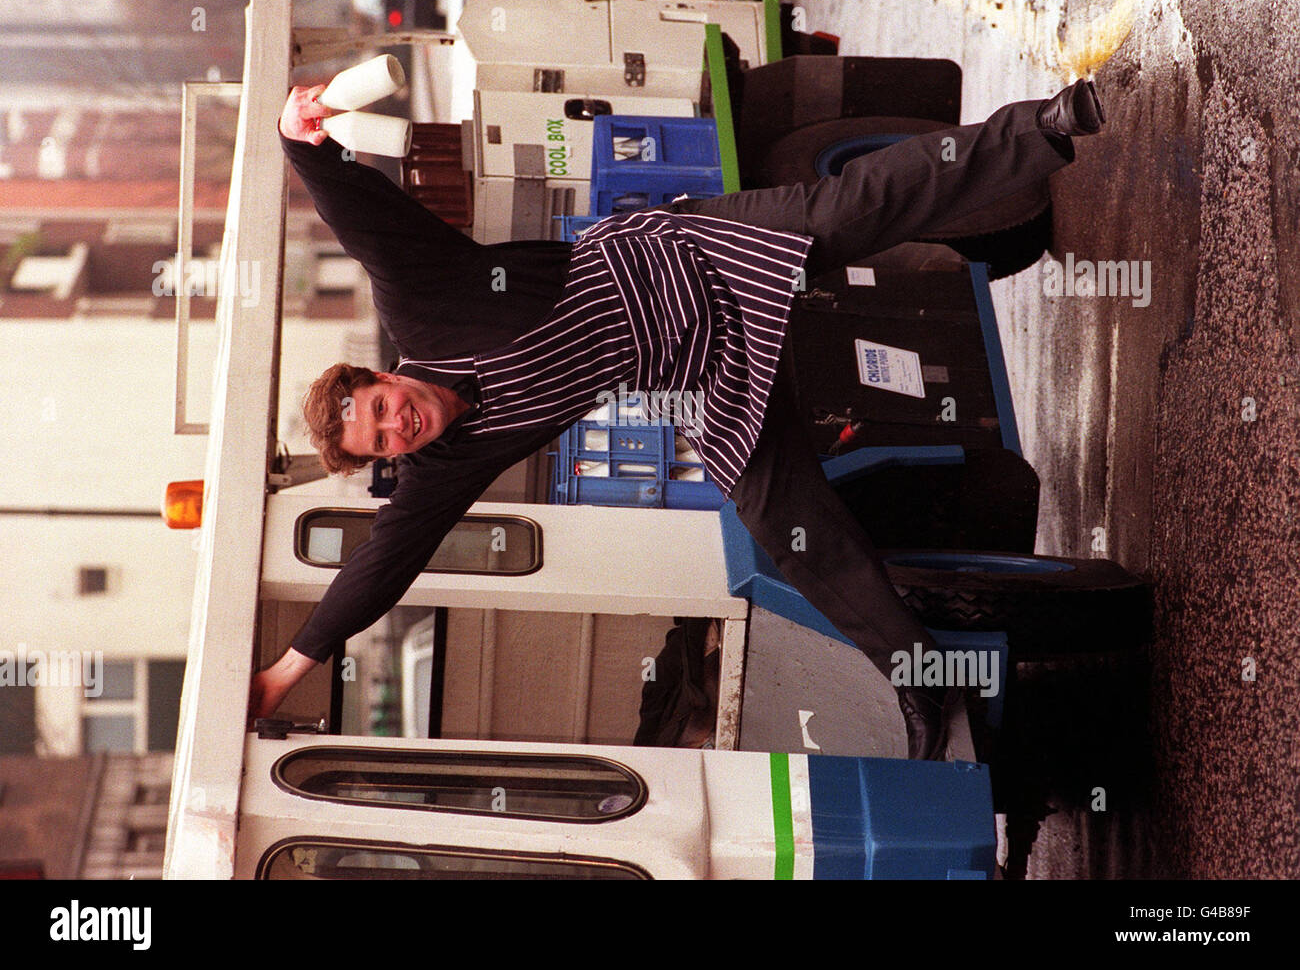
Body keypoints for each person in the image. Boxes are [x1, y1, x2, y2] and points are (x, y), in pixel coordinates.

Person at [250, 77, 1105, 759]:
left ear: (381, 372)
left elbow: (368, 225)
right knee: (784, 523)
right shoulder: (447, 464)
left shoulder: (426, 305)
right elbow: (380, 566)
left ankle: (1043, 127)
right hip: (694, 369)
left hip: (688, 258)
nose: (399, 426)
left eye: (381, 408)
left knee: (851, 210)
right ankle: (920, 676)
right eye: (383, 440)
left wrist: (302, 144)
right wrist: (288, 670)